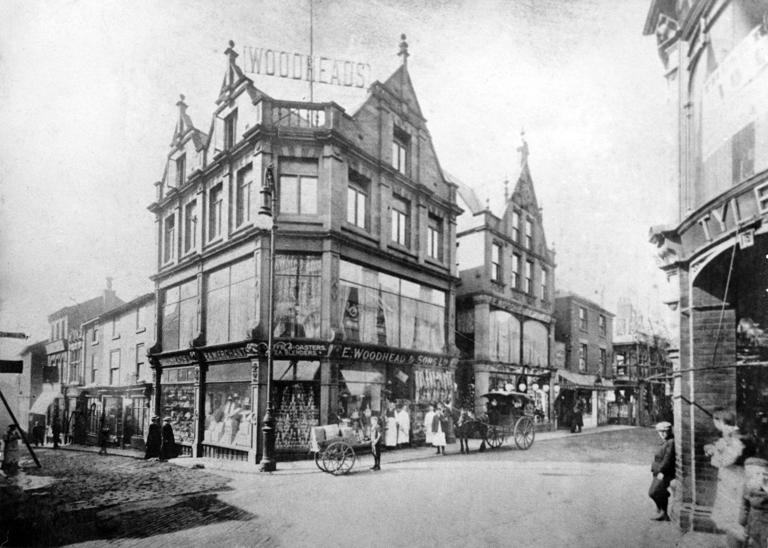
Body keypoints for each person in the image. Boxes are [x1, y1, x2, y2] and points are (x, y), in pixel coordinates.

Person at [704, 409, 747, 547]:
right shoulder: (729, 435)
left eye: (715, 422)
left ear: (720, 421)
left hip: (734, 480)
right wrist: (715, 449)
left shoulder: (735, 437)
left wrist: (714, 453)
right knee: (730, 518)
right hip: (729, 479)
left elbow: (725, 460)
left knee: (732, 519)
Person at [649, 421, 675, 521]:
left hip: (663, 472)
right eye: (660, 431)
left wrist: (661, 472)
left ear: (669, 431)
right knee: (659, 491)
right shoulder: (666, 441)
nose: (662, 434)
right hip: (657, 471)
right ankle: (662, 512)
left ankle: (663, 512)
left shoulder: (671, 442)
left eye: (665, 431)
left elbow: (667, 459)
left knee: (653, 492)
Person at [739, 457, 768, 547]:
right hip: (752, 523)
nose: (762, 477)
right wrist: (743, 521)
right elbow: (744, 504)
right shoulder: (749, 486)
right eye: (756, 474)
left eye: (764, 474)